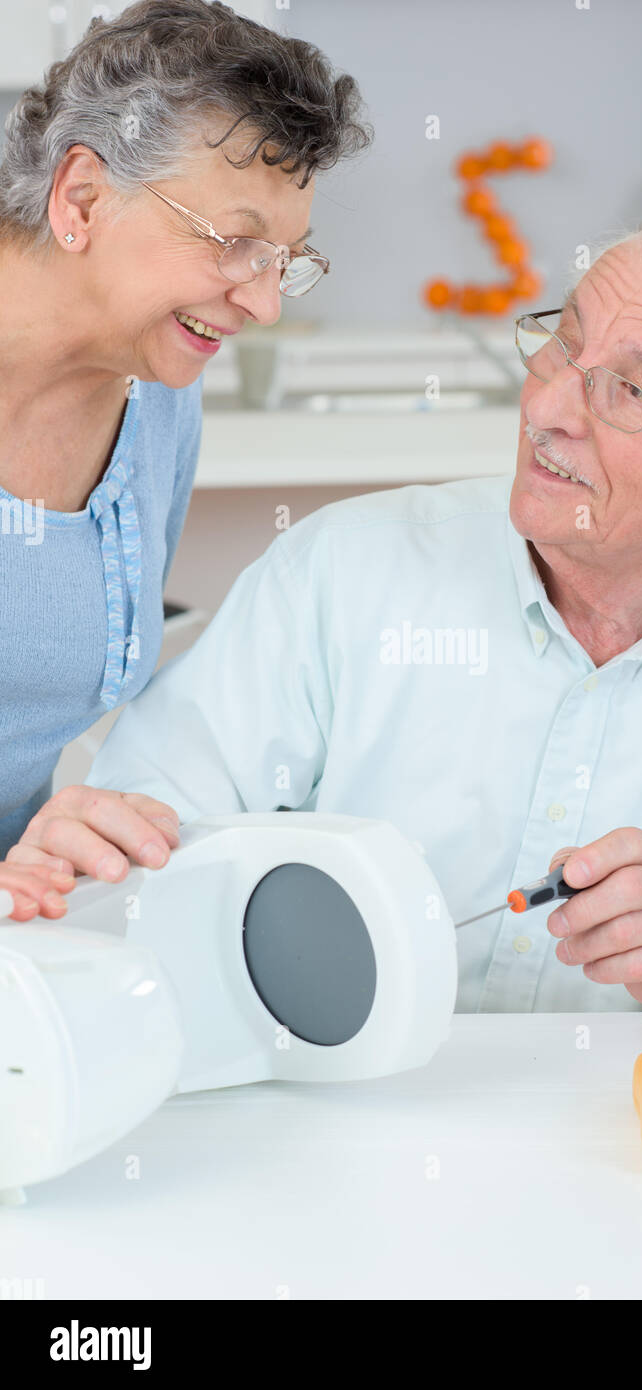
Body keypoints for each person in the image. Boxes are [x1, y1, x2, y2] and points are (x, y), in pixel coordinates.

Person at [12, 219, 642, 1019]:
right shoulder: (342, 572)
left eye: (633, 392)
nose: (548, 411)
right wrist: (92, 856)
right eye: (561, 348)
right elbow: (125, 861)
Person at [0, 0, 369, 918]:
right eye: (234, 243)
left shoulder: (158, 390)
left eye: (285, 259)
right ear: (82, 197)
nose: (266, 302)